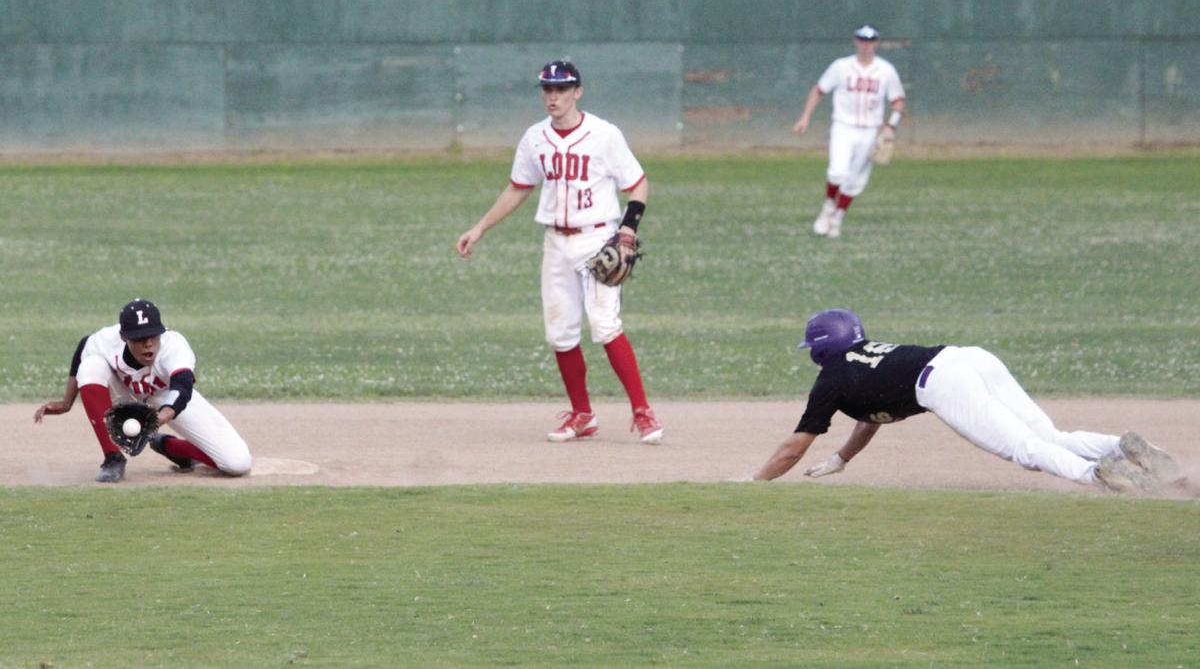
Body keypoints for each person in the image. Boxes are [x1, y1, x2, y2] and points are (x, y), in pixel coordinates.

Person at [753, 308, 1182, 494]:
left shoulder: (831, 379)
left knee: (1027, 450)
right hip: (968, 358)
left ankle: (1101, 477)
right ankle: (1120, 449)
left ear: (820, 348)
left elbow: (794, 447)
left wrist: (753, 486)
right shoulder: (866, 360)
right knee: (1050, 436)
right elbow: (872, 415)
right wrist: (843, 457)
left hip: (943, 381)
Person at [456, 60, 663, 444]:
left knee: (605, 325)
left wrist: (628, 229)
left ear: (577, 92)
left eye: (562, 89)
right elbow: (519, 187)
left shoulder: (604, 135)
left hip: (598, 239)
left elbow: (638, 184)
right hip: (555, 241)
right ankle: (582, 415)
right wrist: (480, 228)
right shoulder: (535, 139)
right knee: (561, 332)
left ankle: (642, 412)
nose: (554, 96)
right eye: (548, 89)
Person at [33, 299, 253, 482]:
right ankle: (113, 458)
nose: (148, 343)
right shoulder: (108, 340)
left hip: (167, 397)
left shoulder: (174, 346)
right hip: (123, 392)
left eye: (153, 336)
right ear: (124, 337)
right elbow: (84, 346)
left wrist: (157, 419)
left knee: (237, 463)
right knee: (91, 366)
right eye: (140, 338)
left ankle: (168, 445)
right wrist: (67, 402)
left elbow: (182, 387)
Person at [792, 25, 906, 238]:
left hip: (870, 130)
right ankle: (828, 207)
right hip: (843, 126)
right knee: (837, 172)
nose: (866, 44)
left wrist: (891, 126)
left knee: (854, 181)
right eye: (862, 40)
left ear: (876, 43)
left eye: (870, 40)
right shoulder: (841, 67)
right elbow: (819, 90)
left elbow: (898, 101)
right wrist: (805, 117)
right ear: (855, 41)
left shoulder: (886, 70)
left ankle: (838, 218)